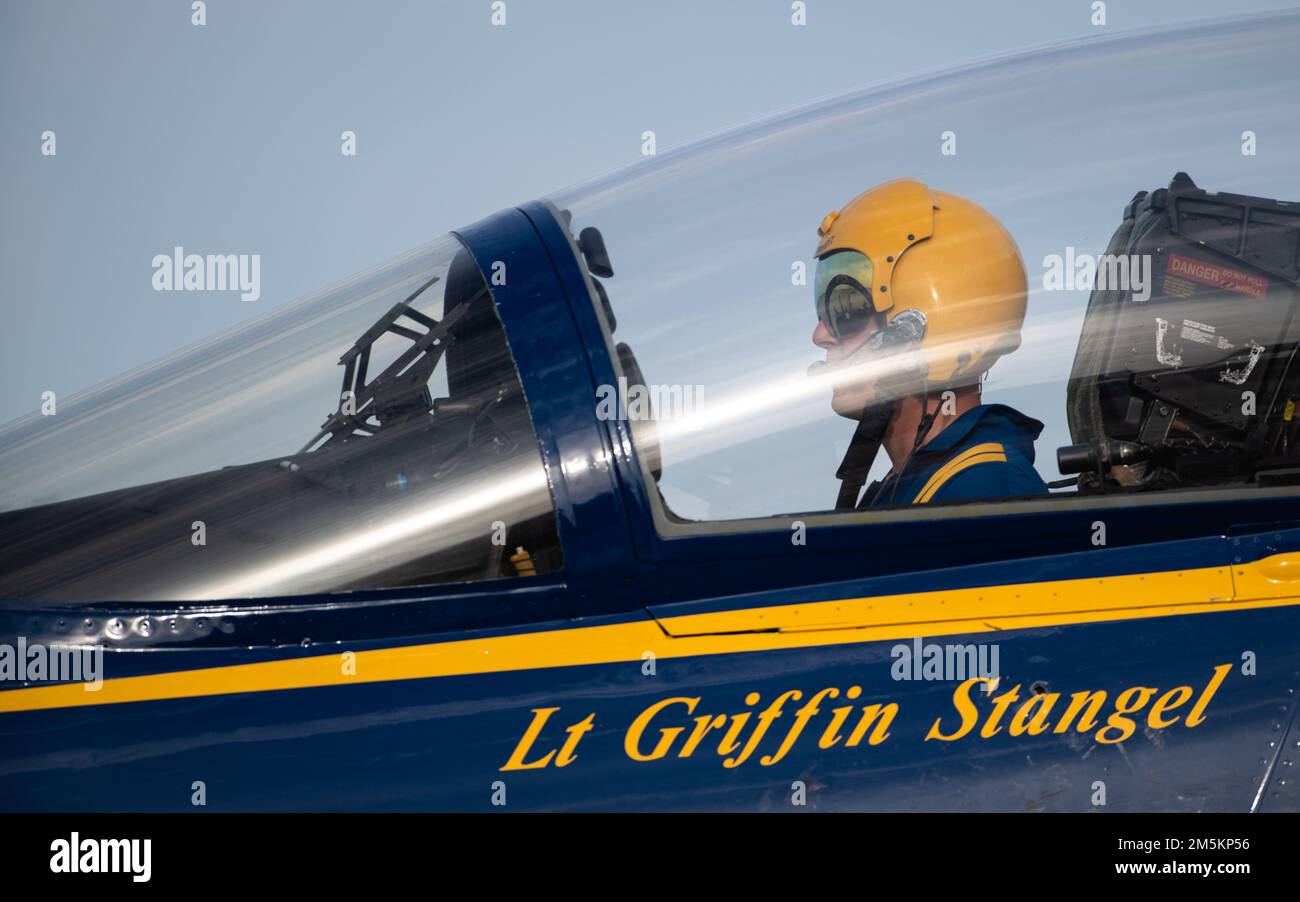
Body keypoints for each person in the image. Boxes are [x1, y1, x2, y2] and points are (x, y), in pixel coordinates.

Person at [810, 178, 1050, 508]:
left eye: (847, 309)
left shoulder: (988, 491)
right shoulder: (904, 492)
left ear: (917, 329)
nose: (820, 335)